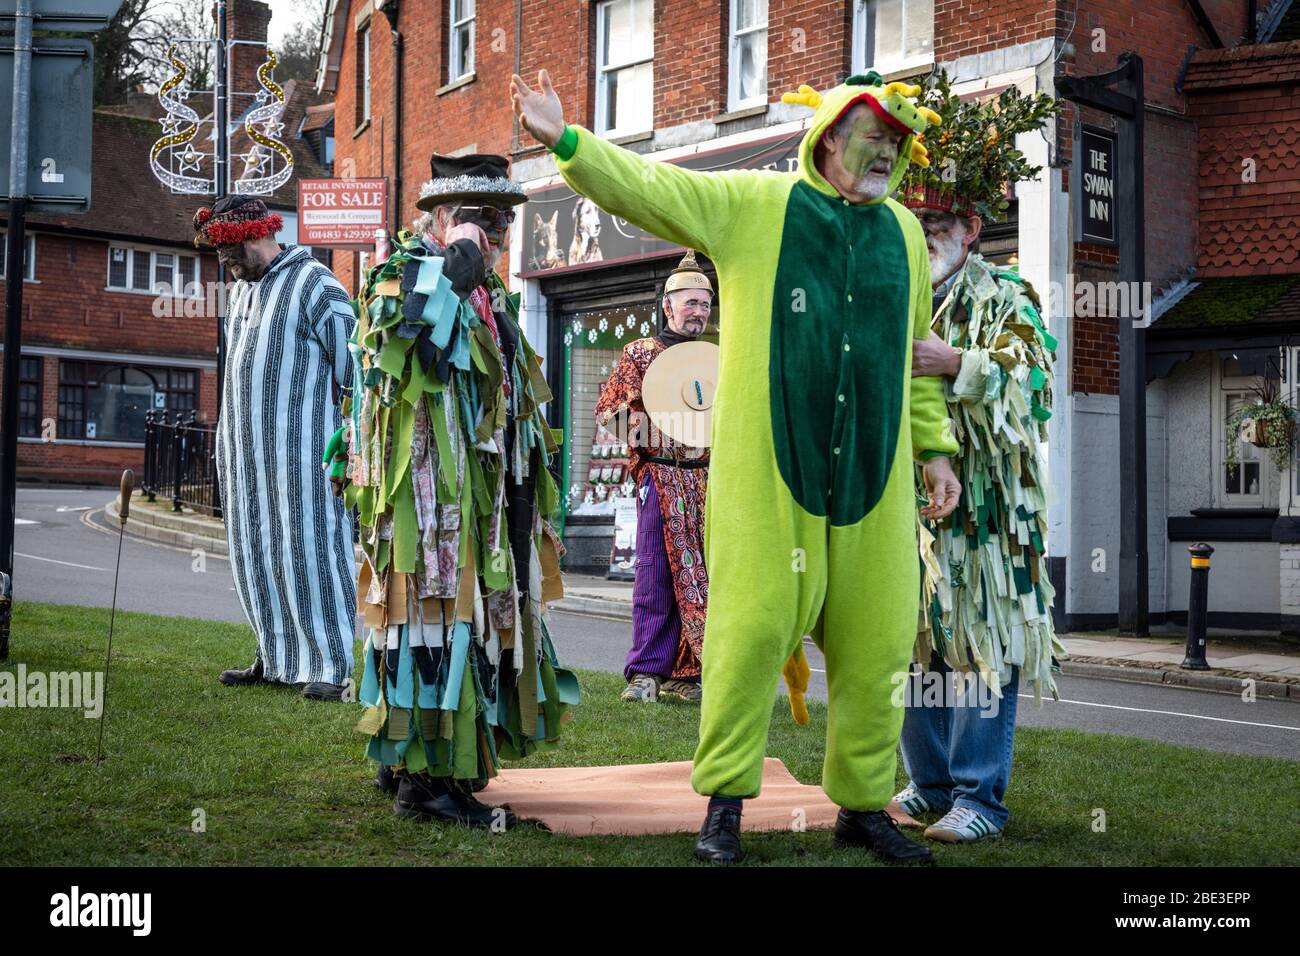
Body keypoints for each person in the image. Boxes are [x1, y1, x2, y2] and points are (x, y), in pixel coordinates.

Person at [512, 69, 961, 864]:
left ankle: (862, 806)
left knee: (880, 646)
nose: (887, 153)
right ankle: (723, 804)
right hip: (770, 486)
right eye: (874, 138)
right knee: (749, 636)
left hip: (874, 483)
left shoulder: (902, 236)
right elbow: (654, 188)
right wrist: (567, 141)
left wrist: (933, 452)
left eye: (897, 142)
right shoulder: (757, 206)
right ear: (828, 138)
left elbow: (914, 358)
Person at [334, 153, 576, 828]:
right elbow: (415, 349)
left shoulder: (487, 295)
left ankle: (415, 761)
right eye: (482, 220)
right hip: (427, 495)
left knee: (455, 614)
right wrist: (460, 262)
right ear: (443, 218)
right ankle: (427, 785)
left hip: (472, 495)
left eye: (502, 223)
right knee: (432, 611)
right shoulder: (407, 274)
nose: (496, 236)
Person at [887, 76, 1063, 843]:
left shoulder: (1008, 294)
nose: (924, 242)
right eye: (916, 229)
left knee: (981, 647)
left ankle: (979, 798)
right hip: (909, 509)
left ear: (971, 229)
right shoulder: (899, 297)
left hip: (989, 513)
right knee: (916, 642)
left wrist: (953, 361)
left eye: (936, 231)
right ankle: (927, 784)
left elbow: (1031, 378)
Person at [200, 195, 357, 702]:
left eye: (227, 252)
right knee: (255, 555)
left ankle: (331, 665)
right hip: (245, 457)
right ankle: (275, 657)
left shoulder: (319, 286)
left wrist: (350, 445)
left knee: (313, 553)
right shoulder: (243, 291)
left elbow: (357, 373)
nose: (223, 264)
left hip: (305, 455)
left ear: (253, 236)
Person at [595, 251, 713, 704]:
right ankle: (646, 673)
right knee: (656, 574)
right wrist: (662, 430)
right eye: (691, 303)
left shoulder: (717, 356)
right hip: (660, 478)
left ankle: (691, 673)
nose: (699, 312)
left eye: (705, 304)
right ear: (668, 305)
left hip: (707, 482)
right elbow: (609, 413)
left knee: (708, 575)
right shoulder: (641, 354)